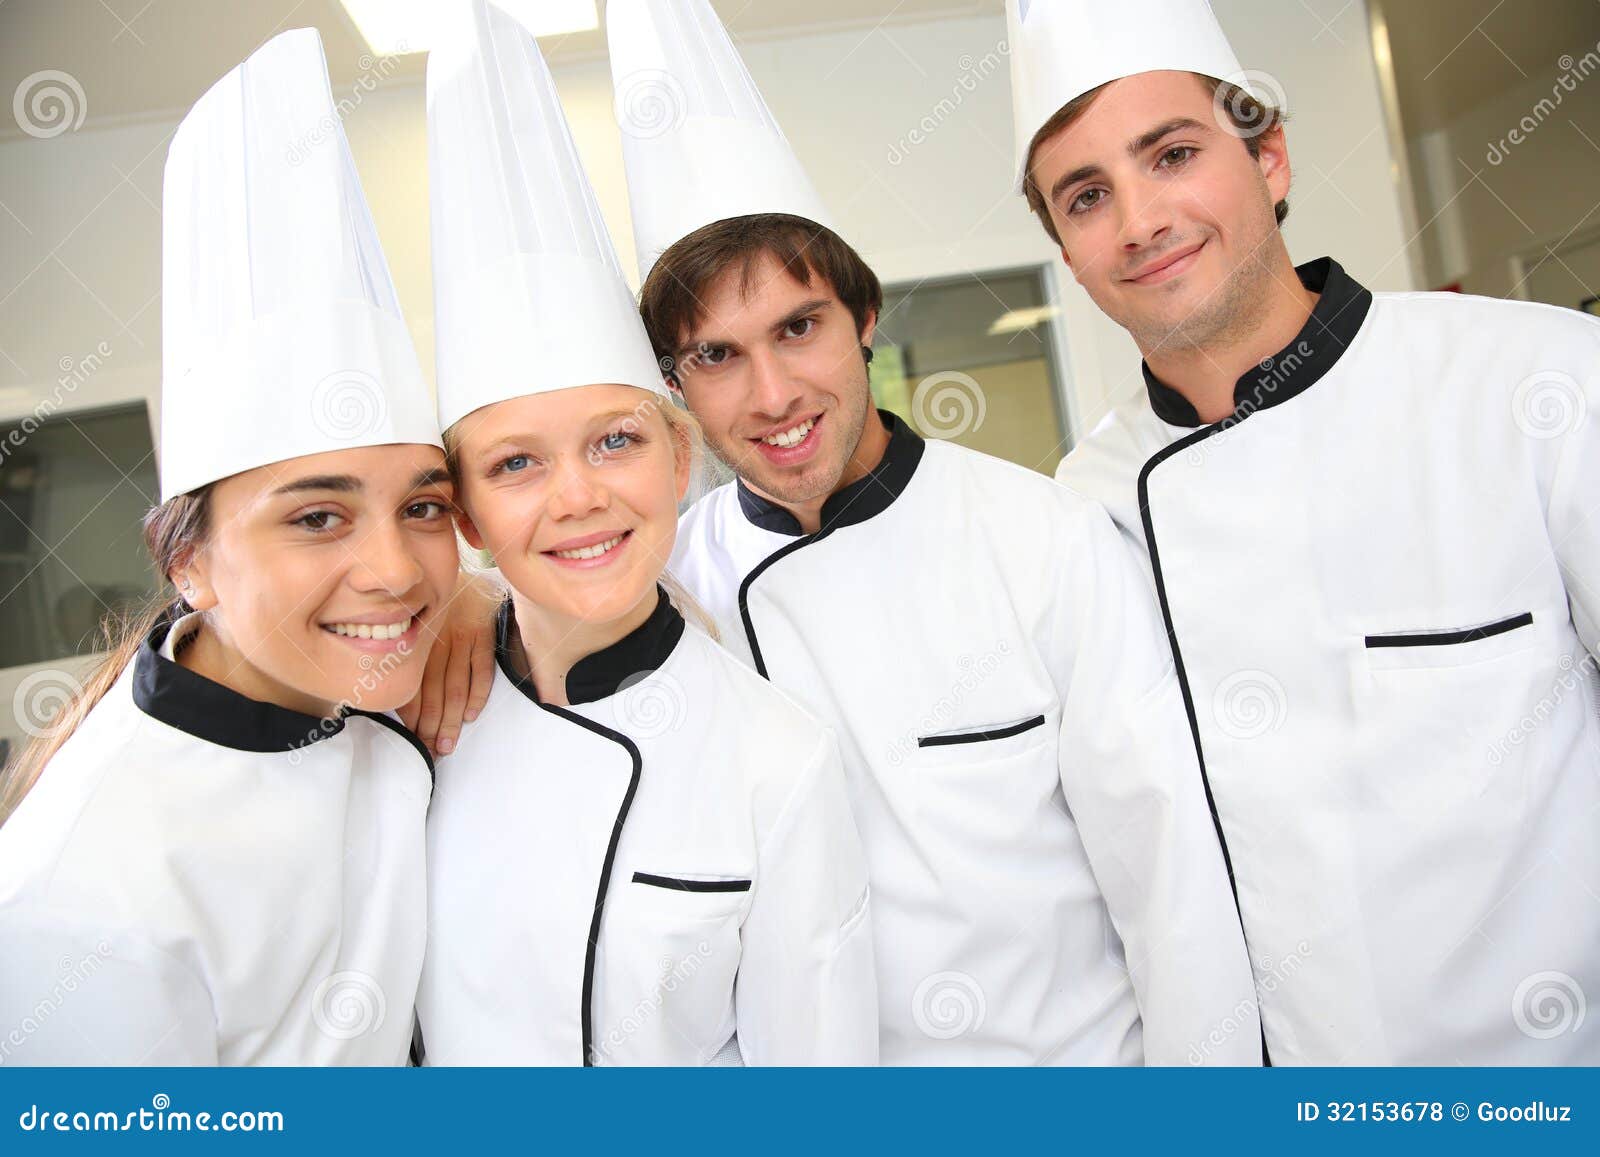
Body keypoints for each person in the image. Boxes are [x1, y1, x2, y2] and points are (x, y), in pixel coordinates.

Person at [593, 0, 1256, 1065]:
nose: (772, 394)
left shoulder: (1044, 537)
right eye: (716, 356)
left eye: (797, 328)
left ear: (862, 318)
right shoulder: (663, 584)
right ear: (674, 385)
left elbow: (1172, 885)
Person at [1012, 0, 1600, 1063]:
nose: (1138, 219)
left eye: (1173, 153)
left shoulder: (1544, 385)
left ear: (1269, 158)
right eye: (1086, 195)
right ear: (1067, 250)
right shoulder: (1078, 501)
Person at [413, 1, 877, 1066]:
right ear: (471, 514)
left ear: (678, 461)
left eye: (613, 441)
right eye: (516, 462)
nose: (577, 497)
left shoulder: (778, 760)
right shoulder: (404, 734)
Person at [0, 29, 454, 1065]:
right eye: (316, 516)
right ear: (189, 562)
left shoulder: (357, 696)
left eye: (423, 505)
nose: (395, 568)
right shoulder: (82, 896)